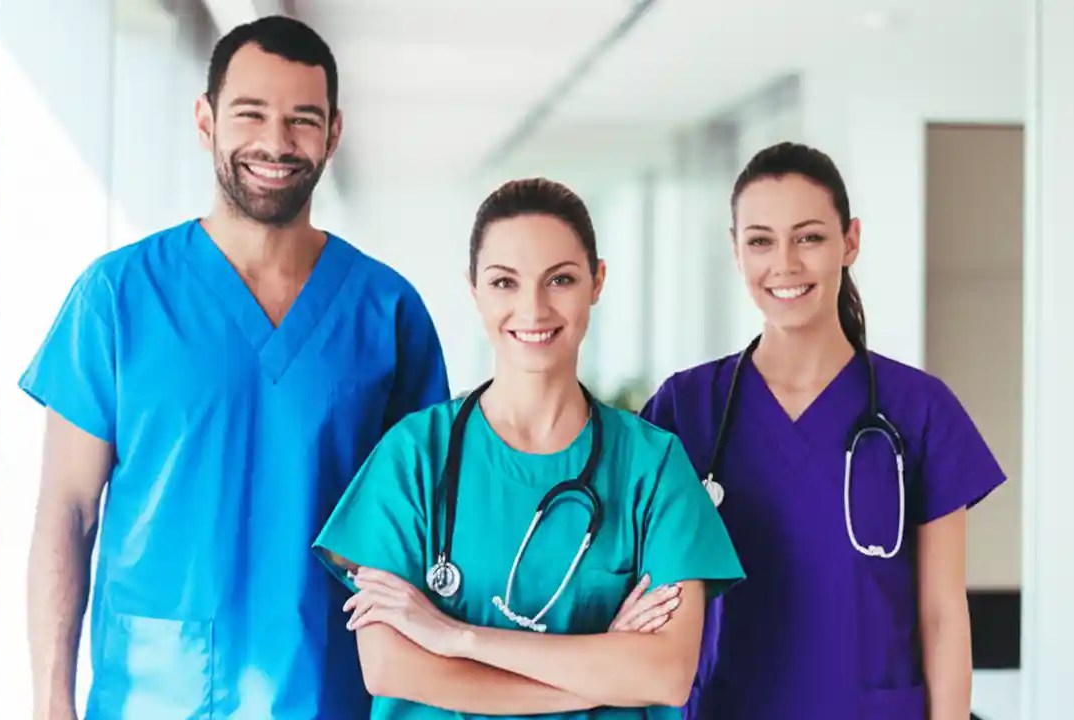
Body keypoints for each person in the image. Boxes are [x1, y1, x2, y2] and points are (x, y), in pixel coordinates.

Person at [21, 16, 449, 720]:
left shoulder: (387, 311)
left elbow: (422, 532)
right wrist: (48, 705)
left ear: (333, 133)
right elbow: (66, 512)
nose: (275, 143)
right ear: (205, 119)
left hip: (332, 696)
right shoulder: (118, 297)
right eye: (251, 114)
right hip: (148, 699)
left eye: (301, 120)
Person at [311, 178, 747, 718]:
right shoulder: (414, 457)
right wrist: (596, 677)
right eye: (504, 283)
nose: (533, 308)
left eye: (560, 279)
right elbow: (392, 667)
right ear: (473, 290)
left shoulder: (652, 468)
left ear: (597, 281)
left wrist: (456, 638)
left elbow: (665, 672)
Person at [640, 142, 1006, 720]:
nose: (784, 263)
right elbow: (643, 598)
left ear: (850, 241)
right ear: (735, 251)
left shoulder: (919, 410)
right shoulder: (687, 409)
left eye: (808, 237)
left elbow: (942, 615)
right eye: (760, 240)